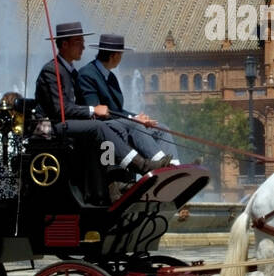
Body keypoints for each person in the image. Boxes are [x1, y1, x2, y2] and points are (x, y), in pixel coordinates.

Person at [34, 21, 157, 178]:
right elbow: (60, 109)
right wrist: (93, 109)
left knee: (110, 126)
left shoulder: (70, 71)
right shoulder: (51, 71)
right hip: (47, 127)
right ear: (64, 44)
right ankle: (140, 165)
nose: (83, 48)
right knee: (98, 127)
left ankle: (119, 177)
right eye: (79, 43)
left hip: (65, 123)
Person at [78, 33, 178, 166]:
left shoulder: (111, 77)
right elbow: (96, 112)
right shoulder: (87, 74)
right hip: (102, 126)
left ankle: (177, 168)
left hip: (119, 122)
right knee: (136, 125)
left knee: (161, 129)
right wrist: (133, 120)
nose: (121, 58)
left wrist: (137, 116)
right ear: (114, 56)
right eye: (121, 54)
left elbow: (117, 110)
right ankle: (163, 166)